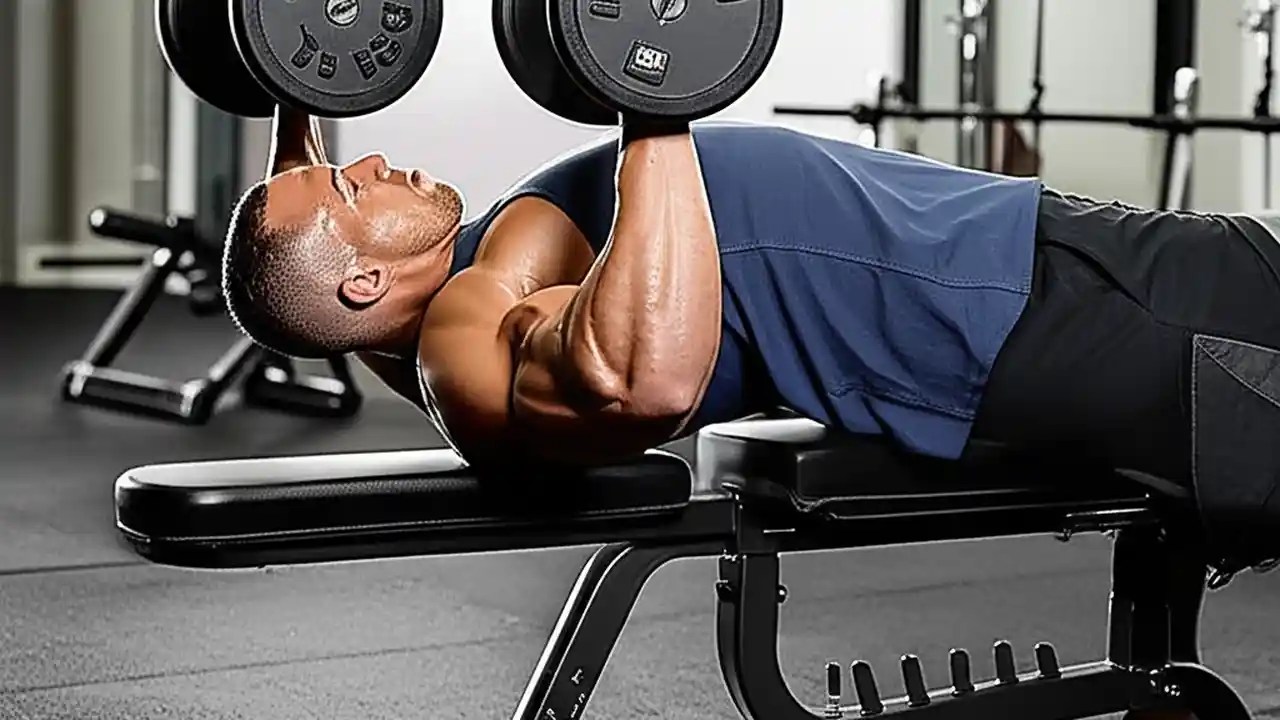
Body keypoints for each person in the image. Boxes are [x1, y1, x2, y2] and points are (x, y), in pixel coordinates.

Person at [223, 108, 1280, 574]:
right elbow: (636, 379)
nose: (379, 163)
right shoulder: (467, 335)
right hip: (1016, 305)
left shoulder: (428, 301)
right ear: (364, 278)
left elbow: (300, 235)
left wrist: (293, 92)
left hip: (998, 254)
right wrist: (654, 106)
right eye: (354, 187)